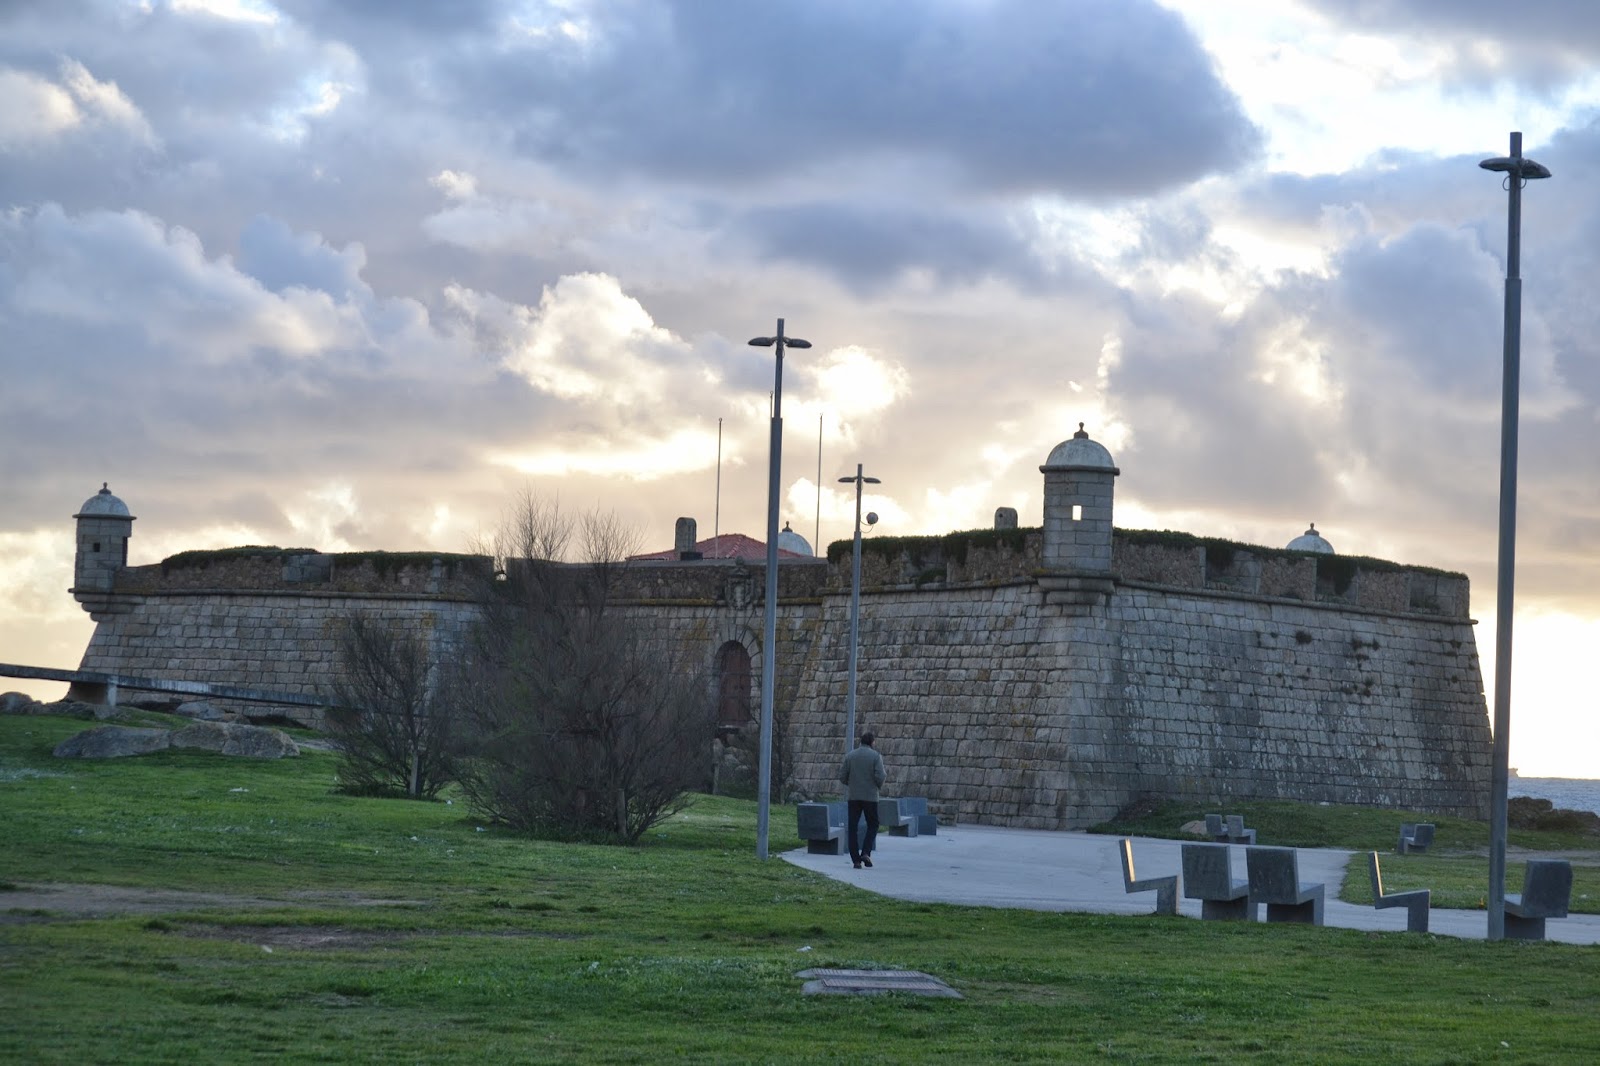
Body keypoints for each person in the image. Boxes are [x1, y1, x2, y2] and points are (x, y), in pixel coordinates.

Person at [839, 731, 886, 869]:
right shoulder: (876, 756)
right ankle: (866, 852)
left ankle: (856, 860)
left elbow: (842, 776)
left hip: (853, 797)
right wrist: (876, 786)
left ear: (861, 742)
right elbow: (881, 776)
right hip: (871, 797)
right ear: (872, 742)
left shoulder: (850, 756)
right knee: (873, 824)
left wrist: (852, 784)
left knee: (852, 827)